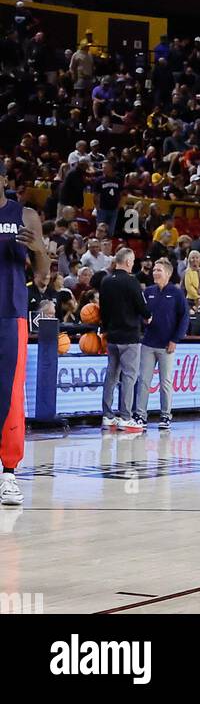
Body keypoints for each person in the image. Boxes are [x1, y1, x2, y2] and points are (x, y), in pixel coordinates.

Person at [0, 168, 47, 506]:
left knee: (11, 394)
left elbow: (43, 278)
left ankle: (9, 473)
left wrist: (40, 249)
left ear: (4, 181)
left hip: (10, 313)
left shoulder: (25, 215)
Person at [100, 247, 150, 435]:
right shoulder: (132, 281)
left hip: (112, 336)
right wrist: (148, 316)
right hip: (129, 336)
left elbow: (102, 310)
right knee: (129, 376)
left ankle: (107, 415)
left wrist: (105, 330)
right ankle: (126, 417)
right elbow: (142, 307)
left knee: (111, 376)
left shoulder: (105, 281)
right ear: (128, 262)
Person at [134, 257, 189, 429]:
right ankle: (140, 415)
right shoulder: (148, 291)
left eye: (159, 270)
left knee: (165, 382)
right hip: (149, 343)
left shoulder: (177, 293)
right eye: (154, 270)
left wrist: (175, 339)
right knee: (144, 380)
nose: (155, 272)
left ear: (168, 274)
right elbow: (141, 314)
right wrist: (144, 321)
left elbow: (184, 318)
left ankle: (165, 415)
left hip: (167, 345)